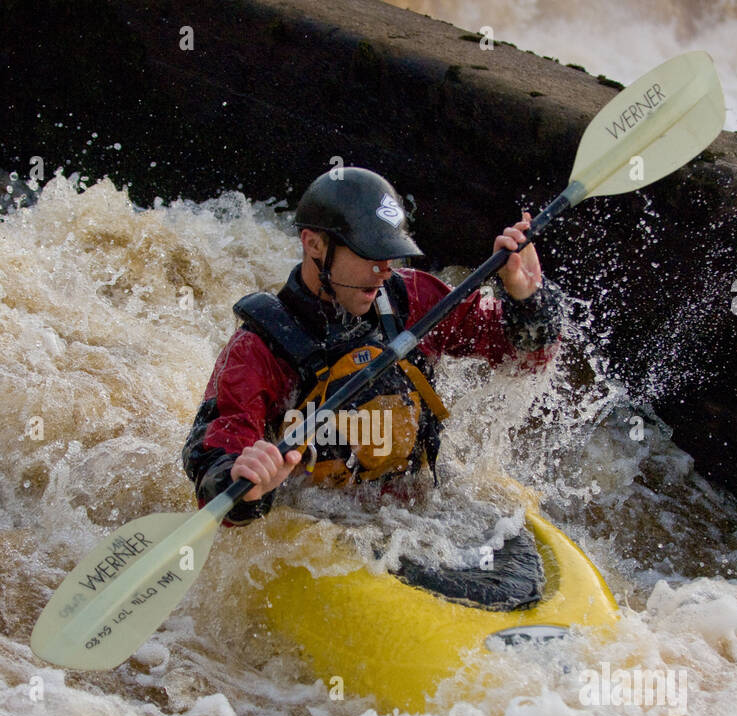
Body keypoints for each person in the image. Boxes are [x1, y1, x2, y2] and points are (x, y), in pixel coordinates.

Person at [182, 167, 565, 526]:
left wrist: (527, 299)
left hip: (419, 519)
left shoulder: (411, 298)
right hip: (319, 531)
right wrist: (245, 484)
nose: (385, 268)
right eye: (369, 252)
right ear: (314, 244)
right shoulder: (260, 348)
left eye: (390, 252)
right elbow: (213, 462)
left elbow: (527, 359)